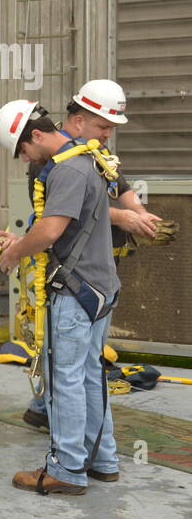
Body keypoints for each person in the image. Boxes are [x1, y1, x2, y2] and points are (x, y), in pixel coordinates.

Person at [0, 99, 121, 494]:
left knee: (64, 380)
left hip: (75, 293)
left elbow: (49, 232)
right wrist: (23, 240)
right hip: (100, 288)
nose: (23, 159)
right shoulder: (91, 162)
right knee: (88, 377)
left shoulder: (67, 170)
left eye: (22, 151)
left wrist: (14, 253)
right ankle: (103, 459)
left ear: (34, 136)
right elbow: (63, 230)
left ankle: (65, 469)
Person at [20, 79, 161, 429]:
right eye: (103, 126)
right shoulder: (52, 162)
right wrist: (123, 217)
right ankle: (56, 424)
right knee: (69, 358)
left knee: (79, 358)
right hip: (73, 274)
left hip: (99, 268)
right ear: (78, 120)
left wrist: (139, 215)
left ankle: (51, 415)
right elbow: (62, 217)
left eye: (111, 128)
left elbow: (121, 187)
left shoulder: (95, 155)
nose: (107, 134)